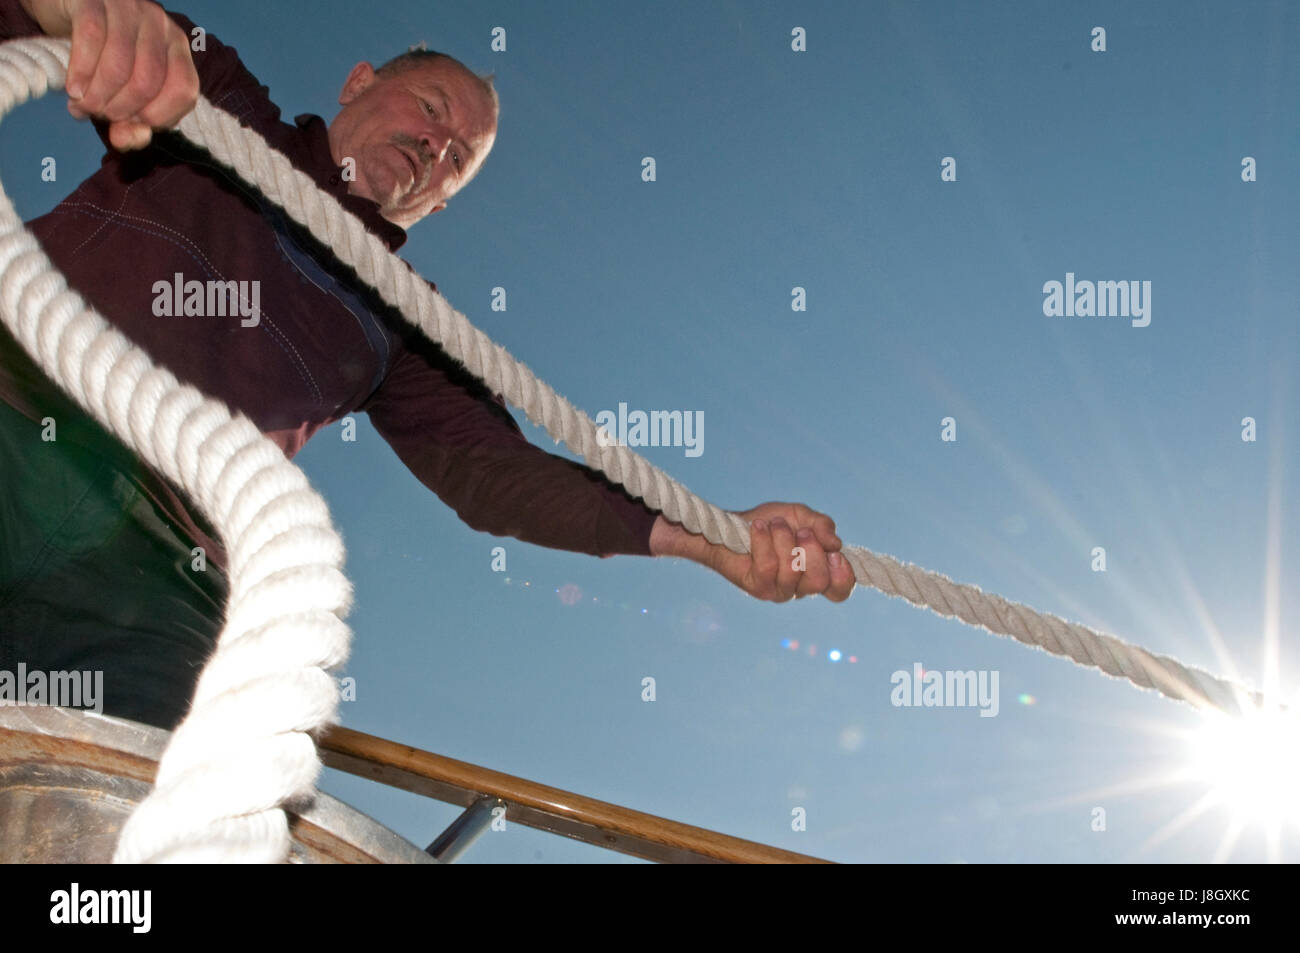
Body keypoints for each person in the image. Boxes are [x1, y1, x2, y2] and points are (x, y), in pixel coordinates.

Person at [0, 0, 854, 730]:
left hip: (155, 567)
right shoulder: (220, 107)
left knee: (157, 810)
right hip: (15, 414)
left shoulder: (400, 324)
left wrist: (716, 538)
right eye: (432, 110)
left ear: (440, 203)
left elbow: (496, 473)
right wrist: (92, 14)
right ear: (359, 82)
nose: (435, 148)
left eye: (457, 162)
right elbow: (96, 25)